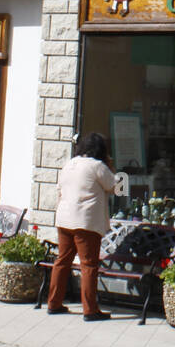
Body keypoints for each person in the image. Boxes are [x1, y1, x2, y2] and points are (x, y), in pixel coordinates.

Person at [46, 132, 117, 321]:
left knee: (62, 261)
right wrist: (113, 167)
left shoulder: (70, 164)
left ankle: (54, 303)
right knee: (89, 265)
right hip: (86, 221)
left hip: (64, 219)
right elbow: (118, 188)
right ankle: (90, 310)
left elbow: (60, 189)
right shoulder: (97, 166)